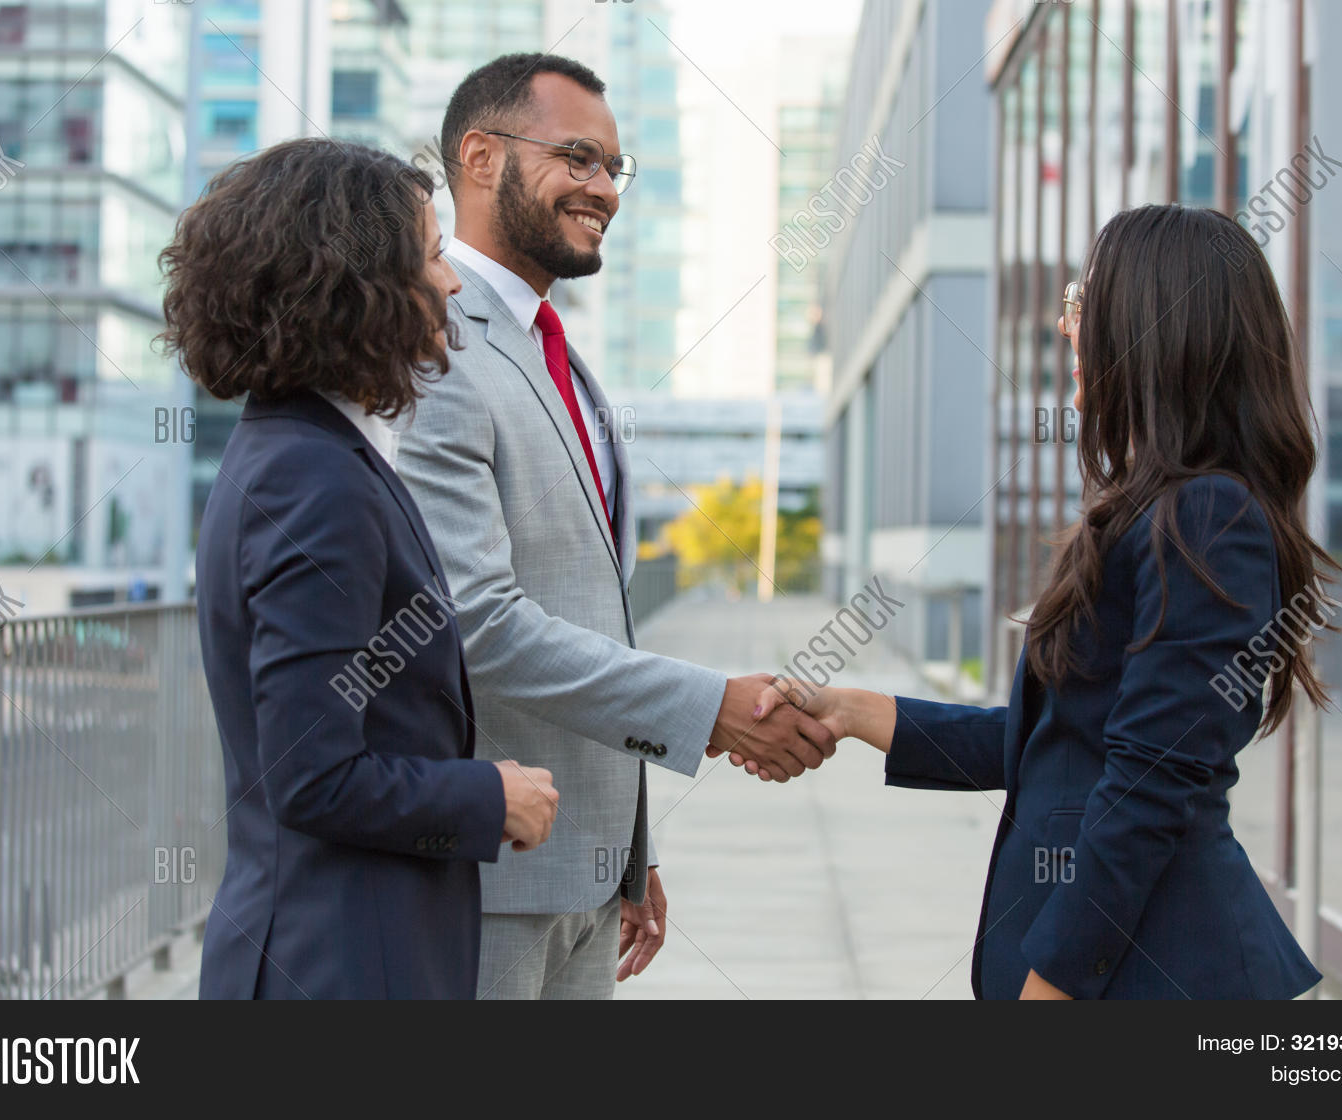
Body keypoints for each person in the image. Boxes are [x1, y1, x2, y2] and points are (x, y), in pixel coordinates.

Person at [732, 204, 1337, 1000]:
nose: (1066, 328)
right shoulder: (1158, 508)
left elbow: (1149, 786)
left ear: (1150, 326)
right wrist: (845, 710)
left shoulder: (1207, 516)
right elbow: (1047, 744)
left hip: (1159, 971)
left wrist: (1050, 988)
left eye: (1082, 303)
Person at [396, 53, 836, 1000]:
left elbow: (590, 613)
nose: (603, 189)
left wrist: (631, 851)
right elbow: (479, 624)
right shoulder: (433, 350)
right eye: (578, 158)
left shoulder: (558, 356)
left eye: (614, 168)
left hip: (587, 880)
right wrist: (711, 705)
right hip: (486, 881)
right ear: (479, 156)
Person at [160, 138, 560, 999]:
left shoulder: (296, 448)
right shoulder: (316, 480)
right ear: (356, 285)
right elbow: (312, 775)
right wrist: (489, 798)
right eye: (431, 256)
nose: (452, 282)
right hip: (337, 966)